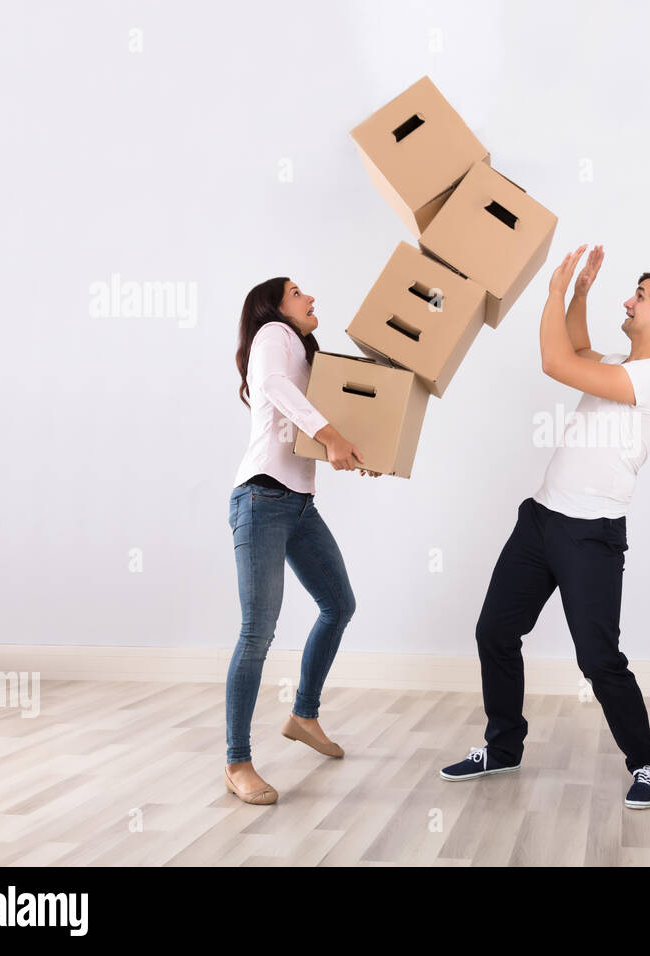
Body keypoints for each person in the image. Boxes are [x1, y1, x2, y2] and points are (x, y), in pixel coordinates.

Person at [440, 244, 650, 809]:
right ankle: (504, 747)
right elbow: (578, 348)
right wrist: (579, 294)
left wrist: (554, 291)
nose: (627, 301)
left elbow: (557, 362)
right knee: (495, 633)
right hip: (540, 521)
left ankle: (647, 765)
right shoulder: (623, 366)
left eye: (641, 295)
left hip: (591, 536)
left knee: (598, 659)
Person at [224, 277, 378, 805]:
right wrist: (333, 436)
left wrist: (359, 452)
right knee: (257, 632)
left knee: (339, 605)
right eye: (297, 292)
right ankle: (237, 762)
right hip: (261, 499)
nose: (311, 296)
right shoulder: (273, 334)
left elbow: (320, 423)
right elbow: (272, 387)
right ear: (275, 306)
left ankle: (303, 714)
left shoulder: (305, 356)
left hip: (297, 503)